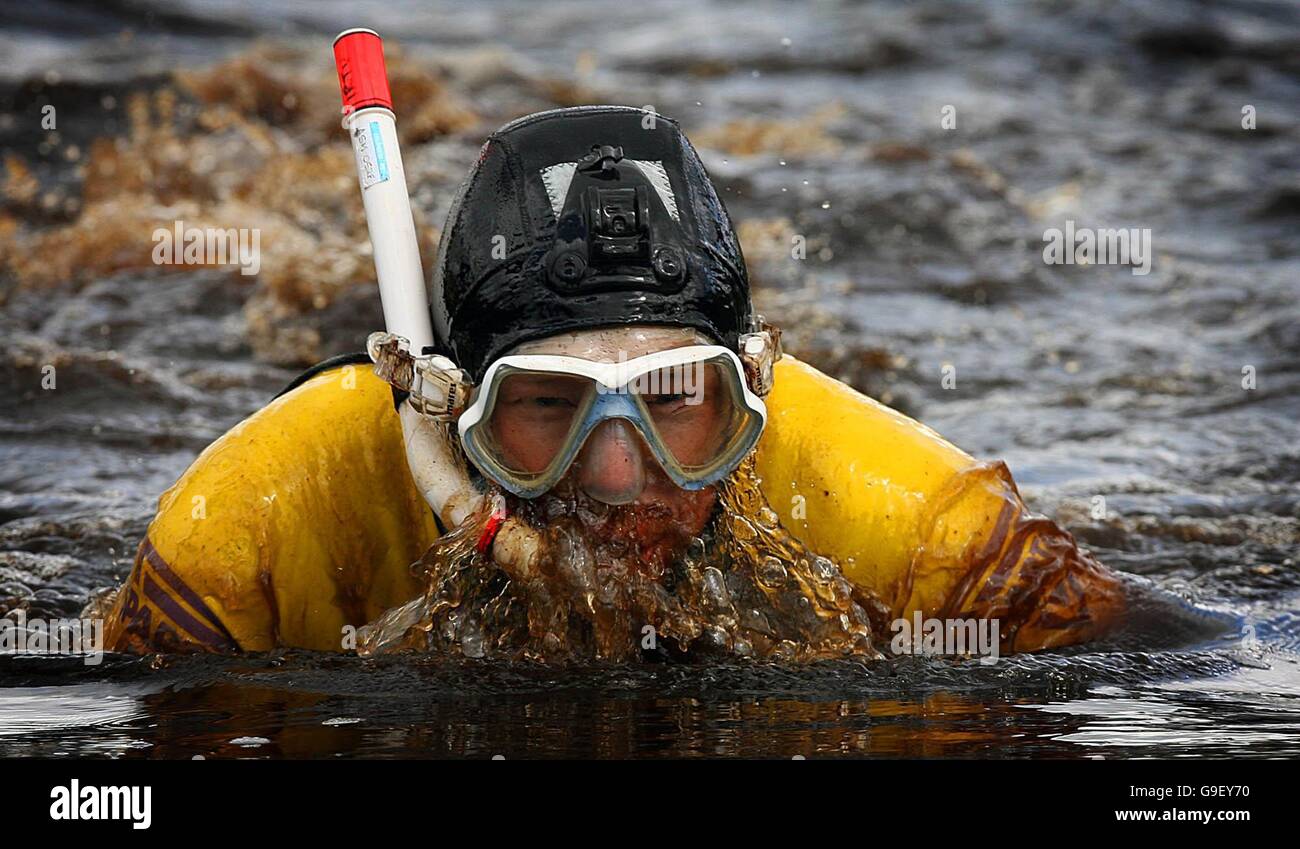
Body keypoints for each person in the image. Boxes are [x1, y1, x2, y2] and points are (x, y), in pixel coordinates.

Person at [101, 106, 1126, 659]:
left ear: (754, 397)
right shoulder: (249, 532)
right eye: (546, 405)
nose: (620, 474)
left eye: (679, 400)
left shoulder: (913, 519)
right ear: (455, 407)